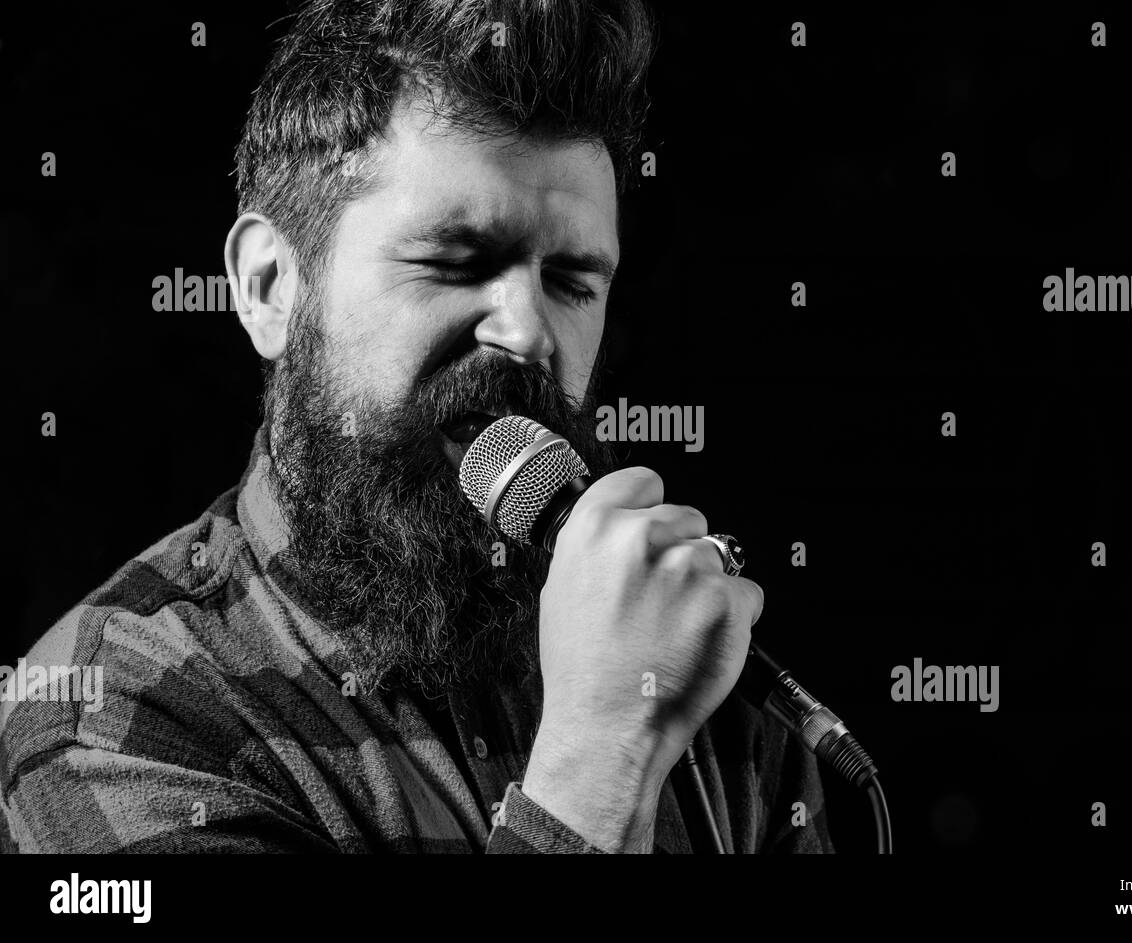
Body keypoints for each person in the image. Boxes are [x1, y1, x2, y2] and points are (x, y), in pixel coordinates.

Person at [0, 0, 832, 853]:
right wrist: (602, 761)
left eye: (573, 280)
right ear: (268, 285)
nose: (527, 331)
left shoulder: (697, 677)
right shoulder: (110, 712)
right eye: (454, 262)